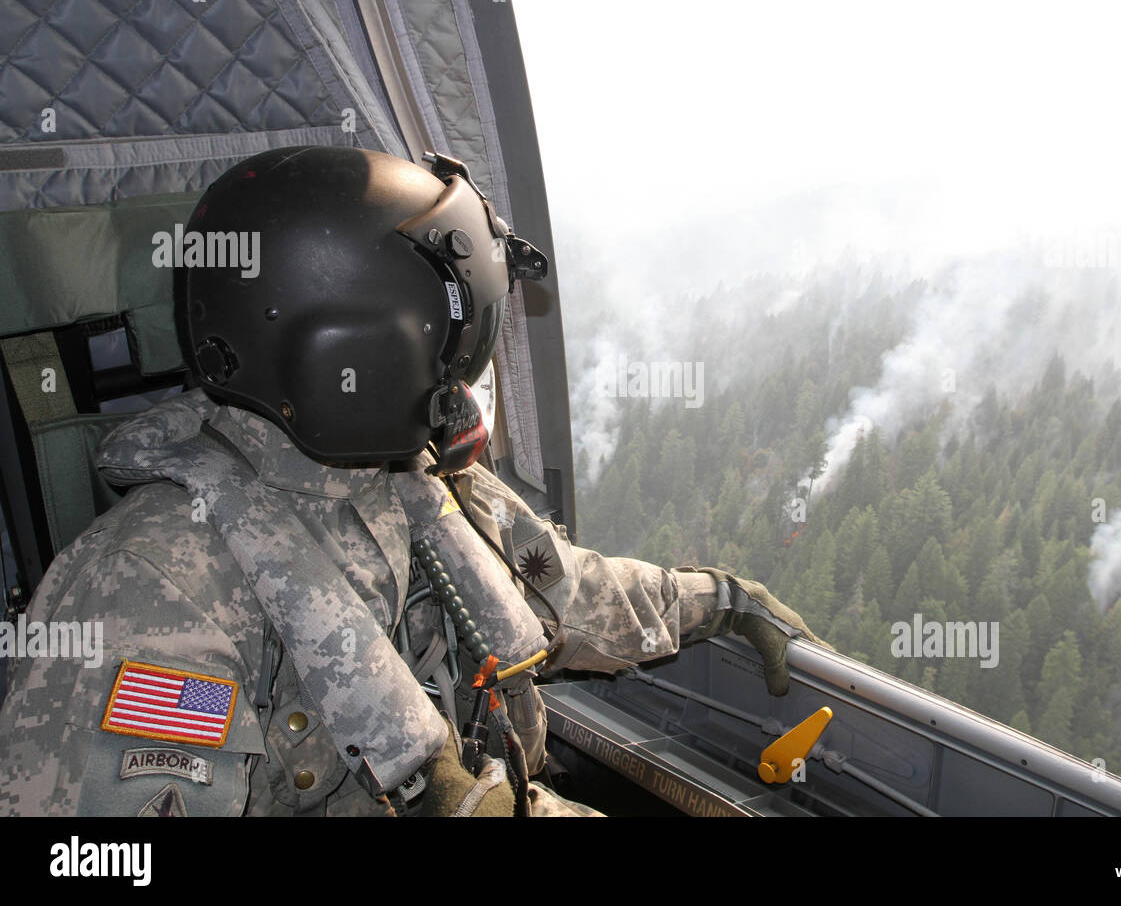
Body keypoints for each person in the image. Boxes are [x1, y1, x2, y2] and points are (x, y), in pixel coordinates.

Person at [0, 146, 822, 816]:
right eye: (447, 349)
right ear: (353, 352)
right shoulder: (151, 593)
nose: (460, 383)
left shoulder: (414, 482)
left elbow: (569, 592)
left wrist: (720, 601)